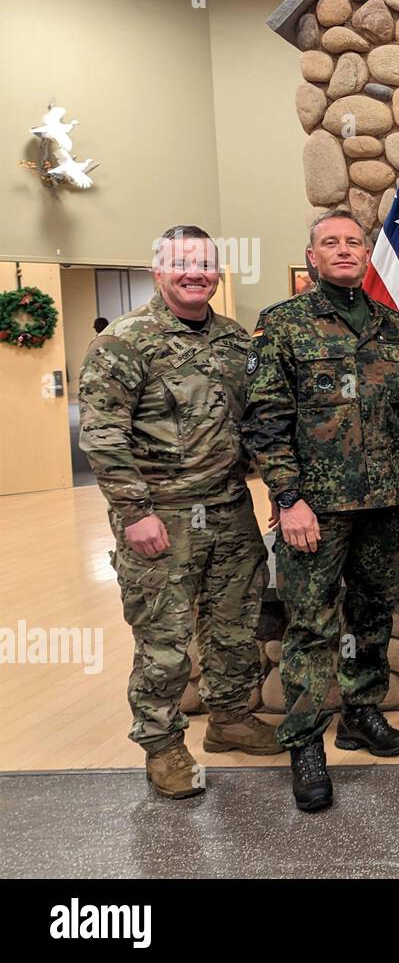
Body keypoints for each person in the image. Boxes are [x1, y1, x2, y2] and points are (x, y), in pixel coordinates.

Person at [242, 209, 399, 811]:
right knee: (310, 625)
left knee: (373, 613)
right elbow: (265, 422)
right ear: (313, 255)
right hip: (315, 511)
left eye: (354, 241)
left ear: (366, 254)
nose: (345, 249)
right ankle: (304, 743)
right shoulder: (282, 325)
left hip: (381, 503)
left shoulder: (391, 325)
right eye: (332, 242)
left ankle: (361, 713)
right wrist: (289, 497)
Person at [79, 224, 281, 799]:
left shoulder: (236, 340)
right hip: (158, 515)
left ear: (218, 272)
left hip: (229, 508)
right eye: (181, 263)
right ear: (158, 270)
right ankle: (163, 746)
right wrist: (134, 512)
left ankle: (230, 719)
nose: (194, 272)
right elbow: (103, 436)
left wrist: (279, 492)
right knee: (164, 638)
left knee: (234, 625)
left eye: (204, 263)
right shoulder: (125, 342)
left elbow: (255, 424)